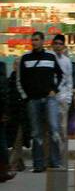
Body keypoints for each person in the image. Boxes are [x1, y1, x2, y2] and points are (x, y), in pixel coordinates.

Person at [16, 31, 64, 173]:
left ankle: (54, 162)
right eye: (33, 40)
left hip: (49, 98)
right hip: (33, 99)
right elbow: (21, 79)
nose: (34, 42)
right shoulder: (25, 58)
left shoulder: (50, 57)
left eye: (37, 40)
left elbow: (60, 74)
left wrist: (55, 90)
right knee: (37, 132)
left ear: (43, 41)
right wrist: (26, 96)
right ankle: (38, 164)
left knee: (54, 129)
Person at [51, 35, 74, 165]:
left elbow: (69, 81)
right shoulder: (49, 58)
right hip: (51, 98)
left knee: (63, 131)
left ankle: (62, 160)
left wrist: (68, 98)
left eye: (60, 44)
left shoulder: (66, 61)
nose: (58, 46)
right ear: (52, 45)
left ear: (63, 46)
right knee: (51, 130)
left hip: (63, 99)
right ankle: (52, 159)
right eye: (56, 43)